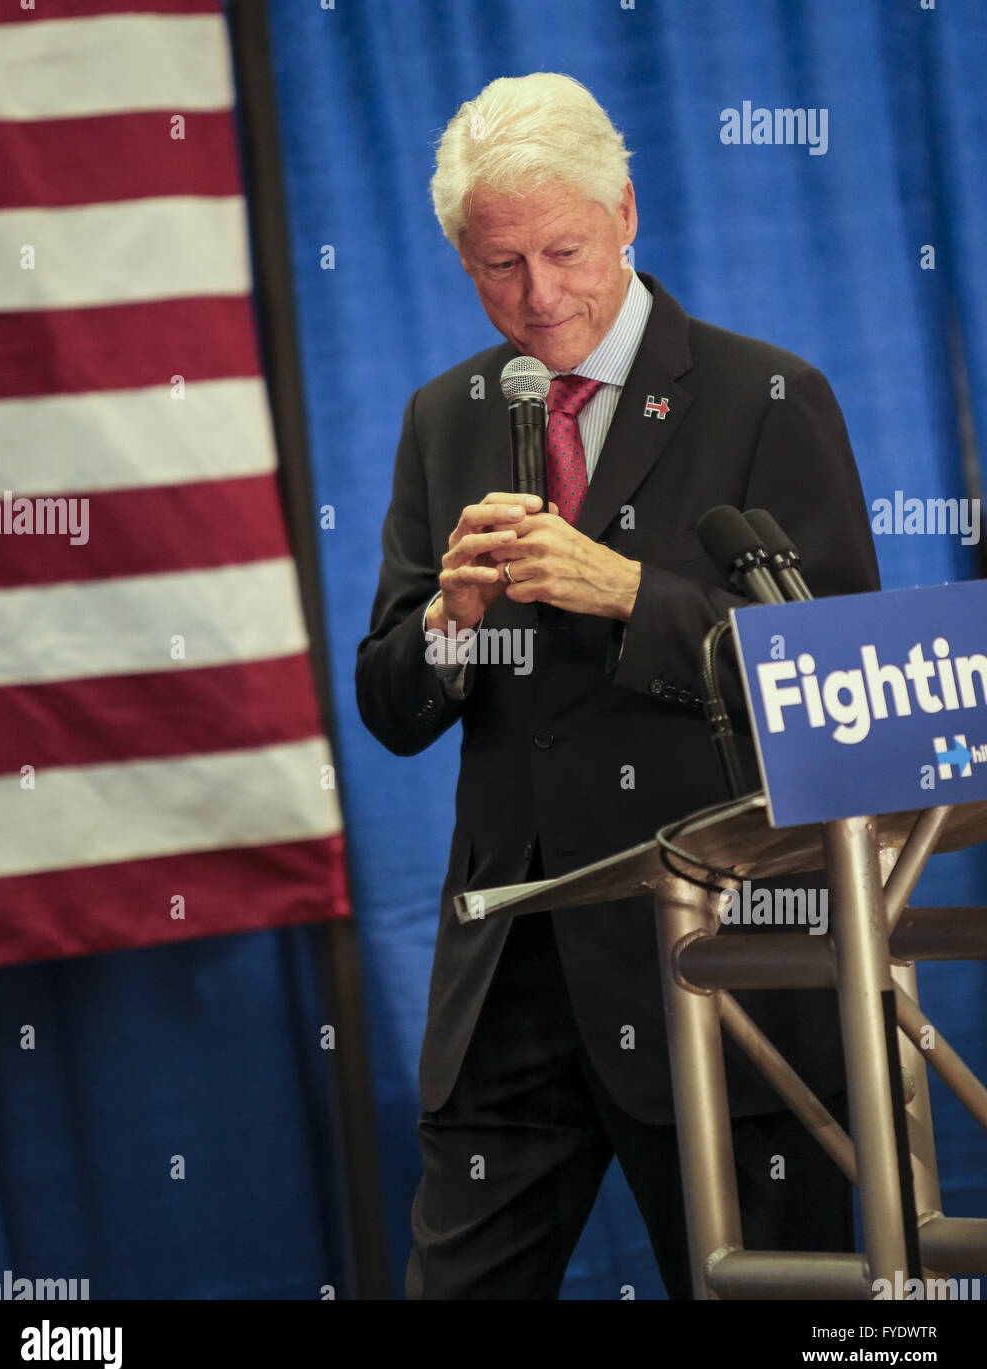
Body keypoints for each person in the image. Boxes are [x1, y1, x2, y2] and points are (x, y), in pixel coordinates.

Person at [355, 73, 880, 1300]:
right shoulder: (446, 417)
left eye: (562, 251)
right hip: (508, 981)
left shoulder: (767, 396)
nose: (537, 298)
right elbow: (392, 707)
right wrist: (450, 621)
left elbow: (843, 688)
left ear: (627, 212)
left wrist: (628, 591)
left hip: (720, 963)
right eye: (497, 266)